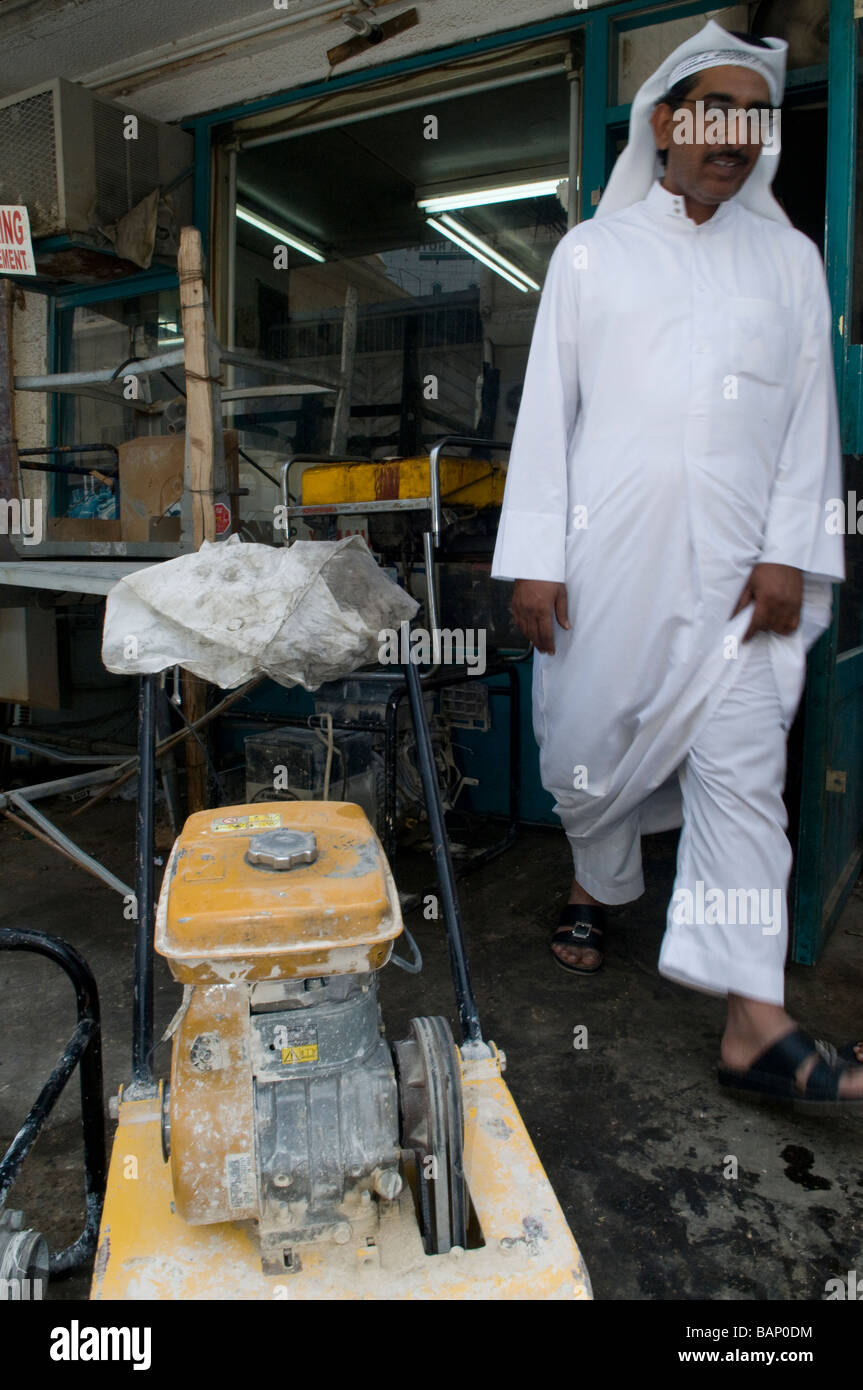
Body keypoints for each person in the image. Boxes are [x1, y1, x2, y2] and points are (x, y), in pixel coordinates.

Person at [492, 21, 863, 1105]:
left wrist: (792, 549)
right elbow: (544, 420)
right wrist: (533, 561)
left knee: (746, 786)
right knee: (584, 752)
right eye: (713, 111)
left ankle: (756, 1024)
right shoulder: (591, 254)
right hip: (607, 567)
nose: (734, 136)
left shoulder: (787, 262)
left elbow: (807, 418)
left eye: (753, 118)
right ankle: (594, 877)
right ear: (663, 120)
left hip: (743, 584)